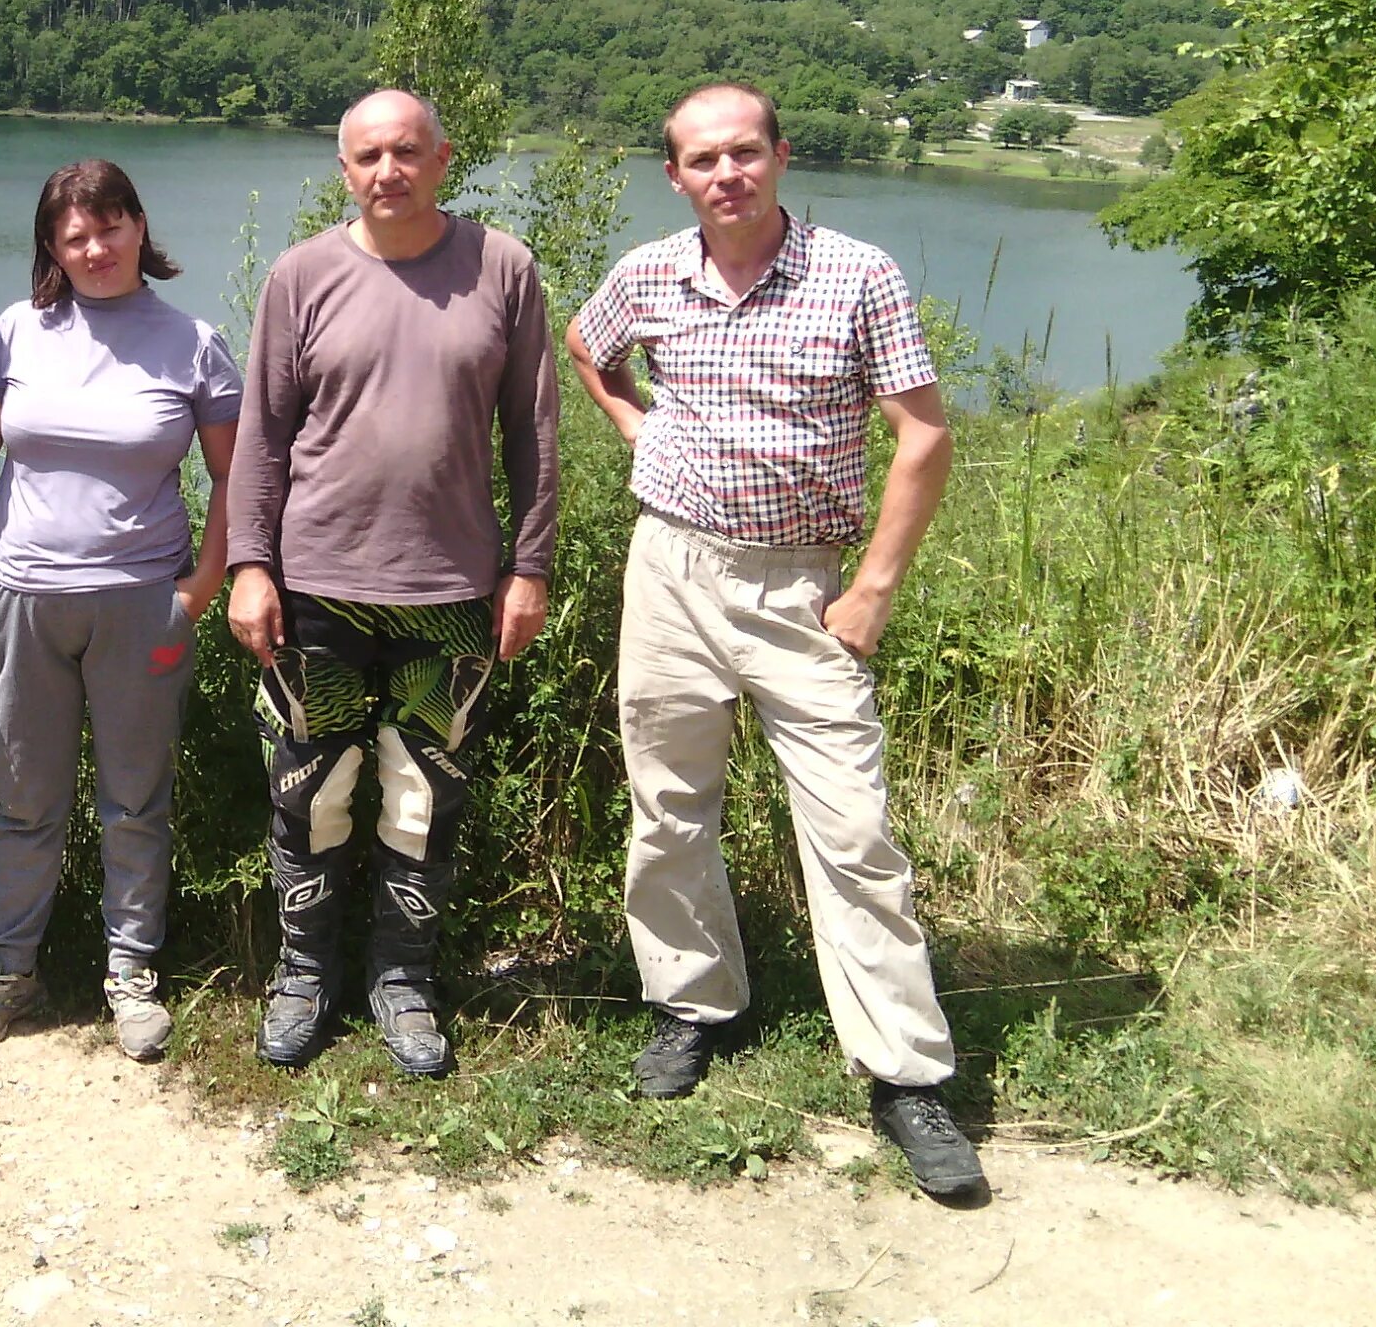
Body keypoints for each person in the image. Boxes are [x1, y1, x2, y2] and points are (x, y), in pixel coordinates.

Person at [563, 80, 985, 1201]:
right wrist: (632, 423)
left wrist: (873, 591)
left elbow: (922, 437)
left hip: (804, 592)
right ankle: (692, 1005)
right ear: (674, 176)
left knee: (854, 831)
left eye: (743, 153)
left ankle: (903, 1076)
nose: (725, 176)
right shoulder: (648, 273)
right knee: (667, 807)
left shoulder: (856, 276)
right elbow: (586, 344)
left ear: (780, 157)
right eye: (702, 160)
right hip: (669, 574)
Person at [227, 90, 559, 1076]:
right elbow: (260, 436)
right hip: (315, 586)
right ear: (344, 170)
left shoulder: (501, 267)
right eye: (367, 156)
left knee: (421, 798)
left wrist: (528, 568)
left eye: (406, 152)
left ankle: (402, 981)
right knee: (311, 794)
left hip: (451, 591)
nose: (388, 172)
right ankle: (303, 976)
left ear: (442, 159)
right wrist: (249, 564)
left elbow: (533, 434)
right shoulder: (301, 276)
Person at [0, 161, 242, 1061]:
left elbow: (237, 475)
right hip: (25, 599)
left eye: (111, 228)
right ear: (53, 249)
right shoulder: (15, 333)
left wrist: (201, 590)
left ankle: (132, 971)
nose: (96, 248)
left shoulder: (192, 341)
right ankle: (10, 970)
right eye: (75, 236)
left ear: (141, 229)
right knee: (24, 796)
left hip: (142, 605)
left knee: (134, 798)